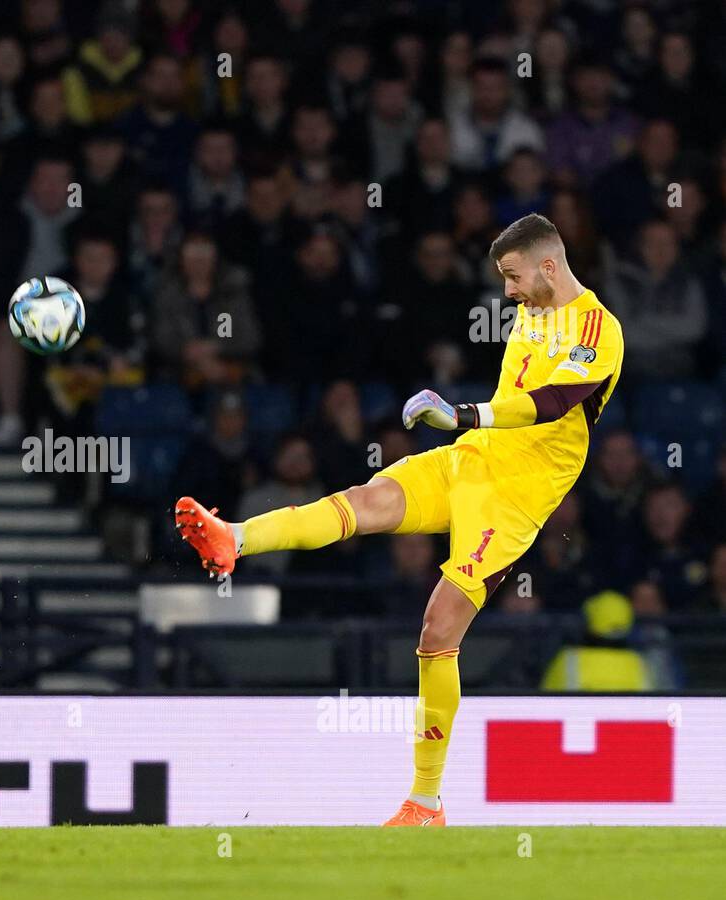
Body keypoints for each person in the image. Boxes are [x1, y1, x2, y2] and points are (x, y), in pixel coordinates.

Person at [176, 213, 624, 826]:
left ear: (549, 266)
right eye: (505, 280)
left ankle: (426, 800)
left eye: (515, 277)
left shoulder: (599, 327)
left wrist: (464, 413)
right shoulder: (532, 310)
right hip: (470, 462)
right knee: (366, 501)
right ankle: (235, 538)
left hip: (515, 498)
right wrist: (467, 427)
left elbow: (554, 404)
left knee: (439, 629)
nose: (509, 292)